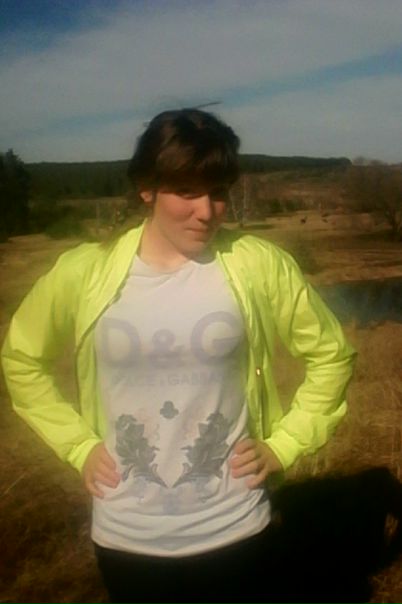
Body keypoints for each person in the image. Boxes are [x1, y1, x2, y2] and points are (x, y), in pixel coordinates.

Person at [1, 108, 355, 602]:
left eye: (218, 192)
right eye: (187, 192)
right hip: (127, 536)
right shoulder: (83, 272)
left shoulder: (257, 263)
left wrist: (287, 443)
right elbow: (22, 359)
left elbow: (331, 355)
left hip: (236, 528)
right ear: (146, 188)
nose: (207, 211)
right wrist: (77, 445)